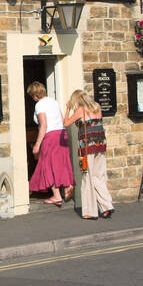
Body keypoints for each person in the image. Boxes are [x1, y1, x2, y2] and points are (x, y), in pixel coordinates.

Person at [65, 89, 114, 220]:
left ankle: (90, 211)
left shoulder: (80, 110)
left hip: (86, 148)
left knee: (87, 178)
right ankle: (106, 206)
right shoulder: (97, 107)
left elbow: (66, 123)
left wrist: (68, 109)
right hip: (100, 145)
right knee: (99, 176)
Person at [27, 82, 74, 206]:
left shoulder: (39, 105)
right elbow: (61, 120)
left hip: (51, 137)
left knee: (47, 165)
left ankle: (57, 196)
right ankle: (67, 186)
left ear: (35, 96)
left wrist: (37, 144)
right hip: (62, 134)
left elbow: (43, 125)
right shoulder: (54, 102)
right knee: (62, 163)